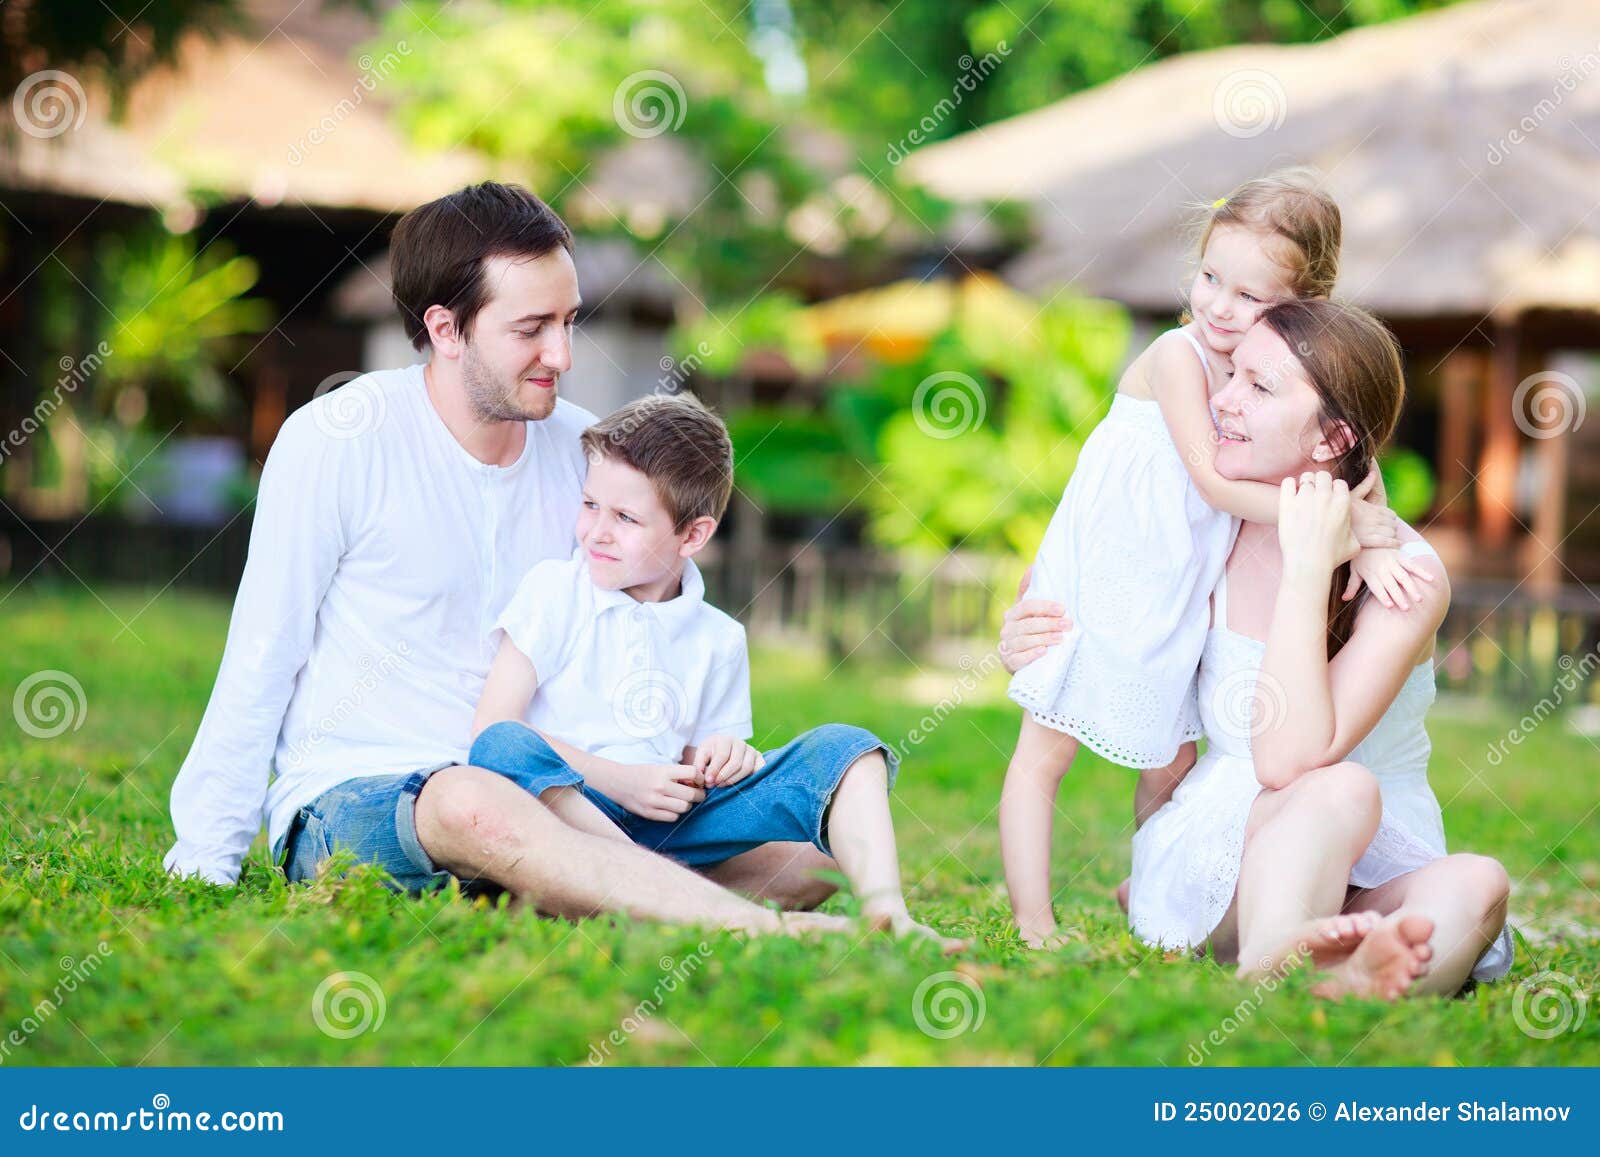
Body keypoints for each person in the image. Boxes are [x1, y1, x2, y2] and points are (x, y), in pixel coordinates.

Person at [163, 182, 840, 933]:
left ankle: (586, 879)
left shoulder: (587, 453)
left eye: (569, 320)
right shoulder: (336, 440)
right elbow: (265, 648)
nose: (564, 353)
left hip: (547, 788)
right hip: (368, 794)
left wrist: (686, 752)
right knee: (465, 798)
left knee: (805, 860)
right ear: (446, 328)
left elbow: (649, 602)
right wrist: (207, 854)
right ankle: (739, 922)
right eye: (532, 328)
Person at [999, 170, 1429, 948]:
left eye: (1250, 297)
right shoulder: (1177, 356)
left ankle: (1156, 889)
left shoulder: (1267, 377)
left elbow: (1357, 466)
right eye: (1209, 278)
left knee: (1170, 760)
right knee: (1043, 751)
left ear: (1300, 309)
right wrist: (1344, 528)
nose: (1219, 307)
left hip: (1176, 586)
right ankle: (1033, 921)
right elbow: (1212, 481)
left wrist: (1365, 512)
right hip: (1107, 570)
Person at [467, 393, 961, 949]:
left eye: (626, 518)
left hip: (672, 826)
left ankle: (888, 915)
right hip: (572, 810)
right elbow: (492, 727)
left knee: (849, 747)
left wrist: (724, 757)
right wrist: (620, 780)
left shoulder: (718, 638)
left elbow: (697, 758)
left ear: (693, 536)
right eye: (590, 505)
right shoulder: (555, 591)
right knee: (506, 746)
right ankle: (647, 888)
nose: (596, 532)